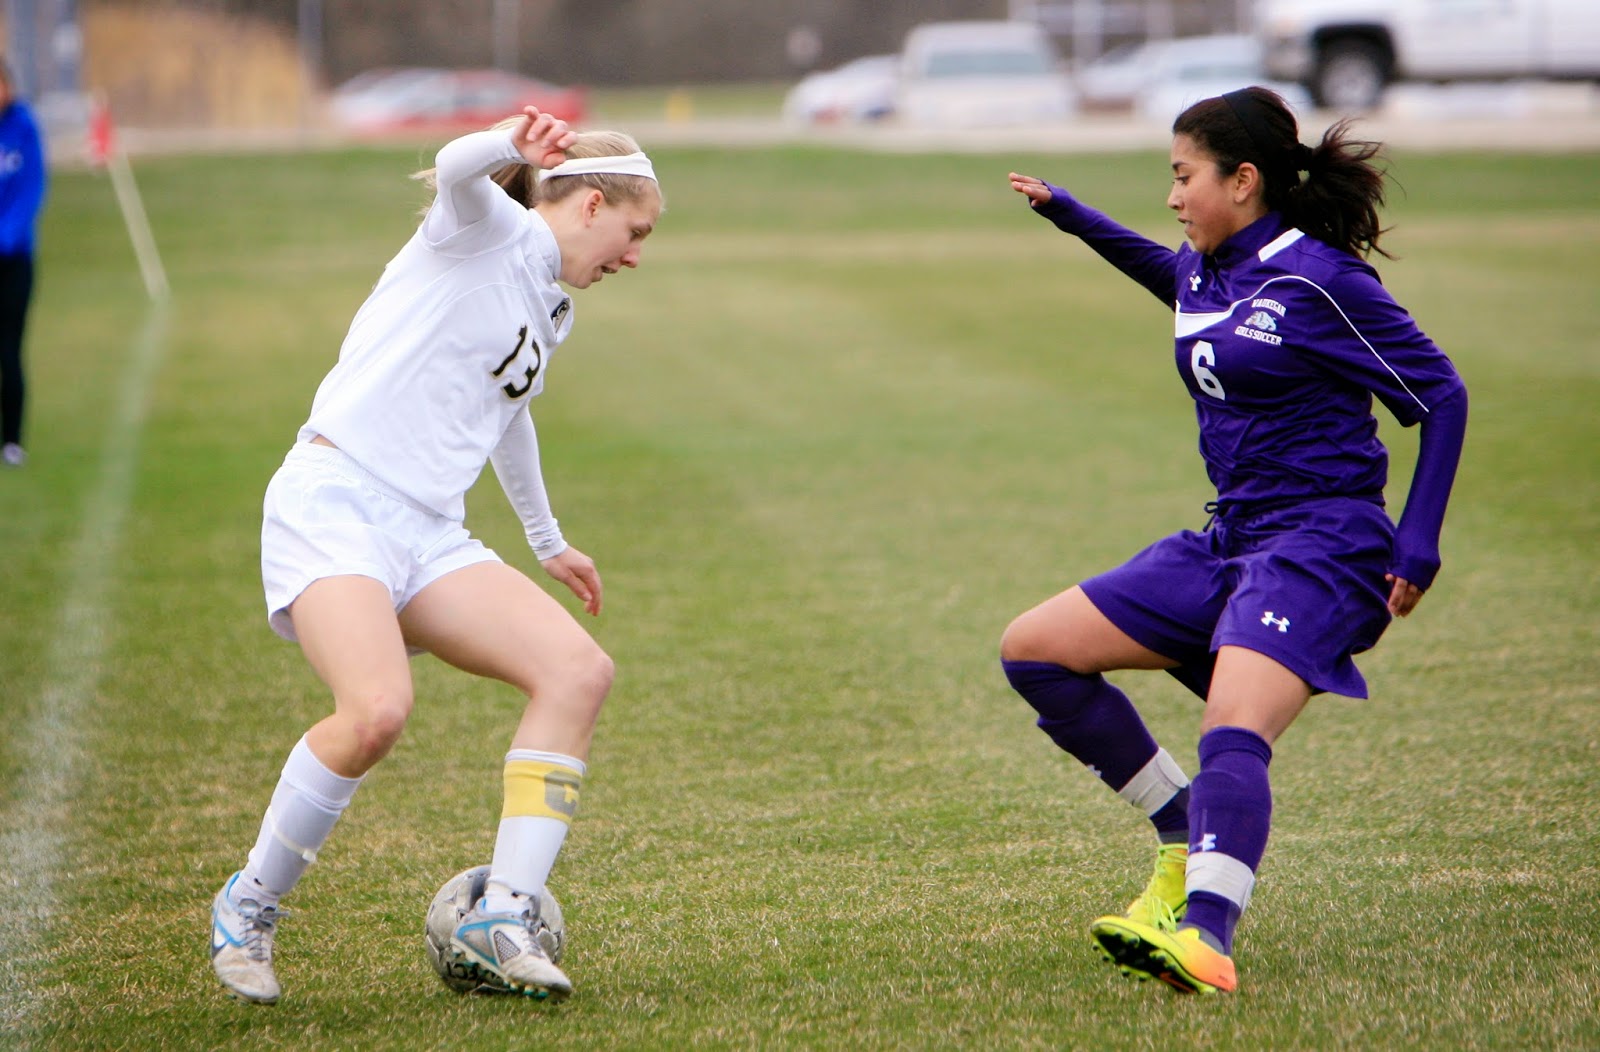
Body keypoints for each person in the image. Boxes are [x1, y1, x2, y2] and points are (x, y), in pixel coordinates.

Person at [999, 86, 1467, 995]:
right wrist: (1069, 216)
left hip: (1320, 547)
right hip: (1231, 540)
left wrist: (1418, 543)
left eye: (1184, 177)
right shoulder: (1210, 269)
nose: (1173, 197)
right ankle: (1180, 828)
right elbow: (1165, 274)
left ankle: (1207, 935)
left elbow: (1440, 395)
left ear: (1243, 180)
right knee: (1036, 651)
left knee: (1233, 730)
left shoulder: (1319, 280)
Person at [208, 106, 661, 1005]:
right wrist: (508, 146)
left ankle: (504, 916)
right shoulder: (484, 228)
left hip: (425, 533)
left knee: (578, 670)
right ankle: (248, 905)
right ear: (590, 201)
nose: (636, 255)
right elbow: (457, 167)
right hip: (335, 500)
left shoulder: (554, 302)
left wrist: (548, 541)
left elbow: (509, 414)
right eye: (634, 232)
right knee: (375, 712)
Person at [0, 59, 46, 468]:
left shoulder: (25, 127)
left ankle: (11, 440)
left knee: (9, 349)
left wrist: (5, 237)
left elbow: (32, 191)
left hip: (14, 261)